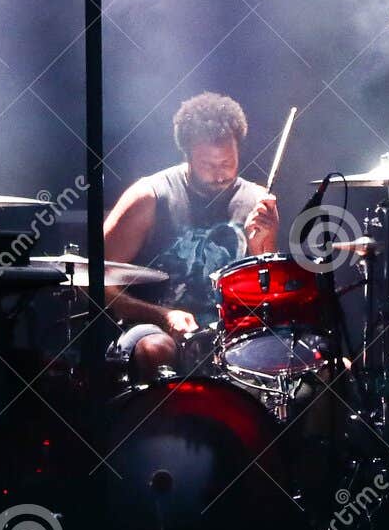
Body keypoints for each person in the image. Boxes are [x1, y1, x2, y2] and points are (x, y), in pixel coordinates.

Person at [104, 92, 281, 380]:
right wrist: (163, 315)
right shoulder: (149, 197)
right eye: (208, 165)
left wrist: (265, 240)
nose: (220, 174)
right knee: (154, 349)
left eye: (228, 163)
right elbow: (94, 281)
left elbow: (268, 291)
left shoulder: (258, 201)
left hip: (231, 334)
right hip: (154, 325)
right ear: (187, 155)